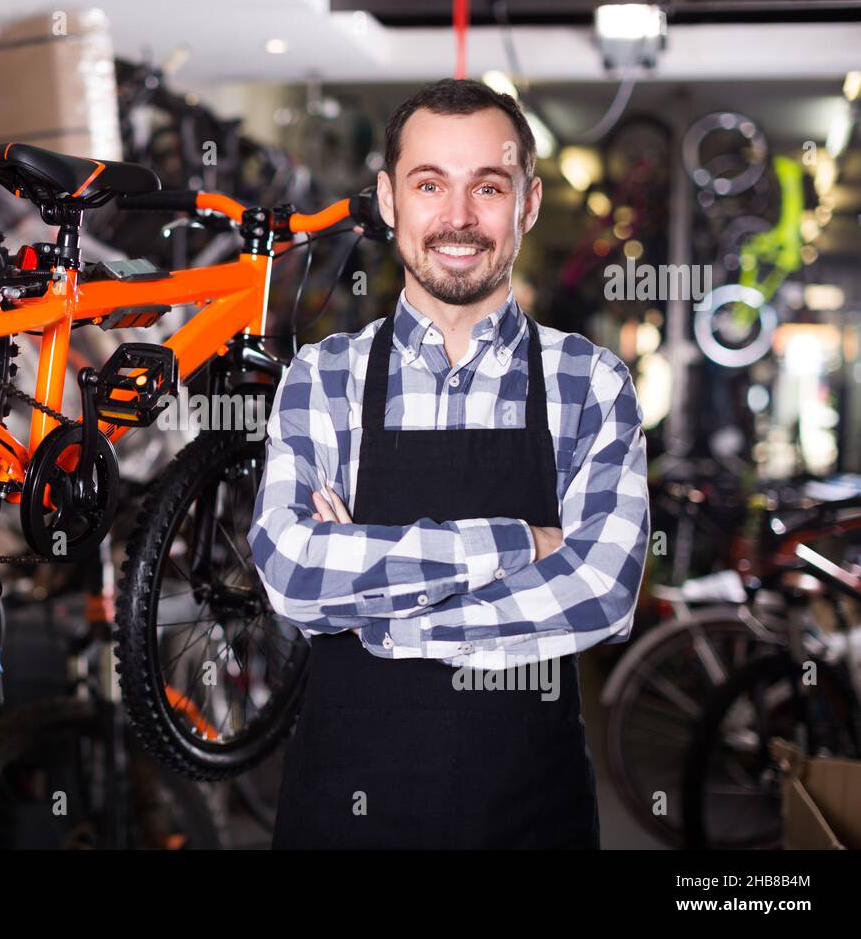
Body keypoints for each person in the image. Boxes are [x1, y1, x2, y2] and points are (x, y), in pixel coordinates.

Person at [247, 78, 650, 849]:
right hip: (343, 816)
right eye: (429, 184)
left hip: (532, 817)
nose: (458, 218)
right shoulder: (322, 377)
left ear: (527, 204)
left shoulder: (590, 382)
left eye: (488, 187)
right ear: (389, 200)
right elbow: (296, 576)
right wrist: (522, 545)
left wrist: (376, 611)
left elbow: (600, 591)